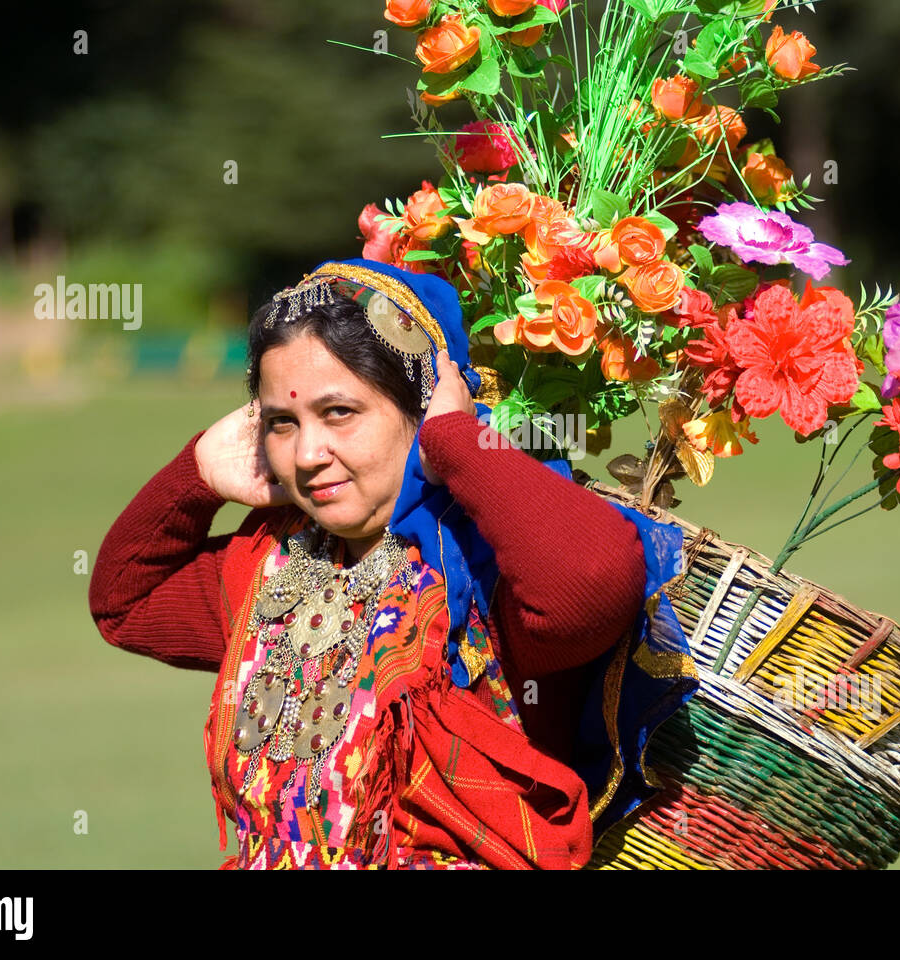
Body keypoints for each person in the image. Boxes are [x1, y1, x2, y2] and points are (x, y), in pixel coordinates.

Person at [88, 258, 697, 869]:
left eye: (339, 413)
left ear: (424, 407)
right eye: (281, 422)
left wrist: (460, 441)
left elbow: (590, 583)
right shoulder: (272, 558)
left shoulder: (478, 570)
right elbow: (125, 603)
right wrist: (196, 473)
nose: (306, 454)